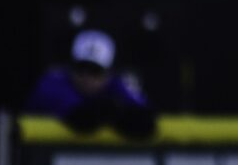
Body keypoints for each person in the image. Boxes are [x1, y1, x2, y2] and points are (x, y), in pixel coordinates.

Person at [24, 29, 157, 139]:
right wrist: (114, 110)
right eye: (81, 68)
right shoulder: (54, 81)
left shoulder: (115, 83)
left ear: (109, 73)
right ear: (71, 67)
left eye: (95, 71)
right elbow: (81, 119)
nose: (86, 77)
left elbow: (146, 123)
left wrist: (113, 109)